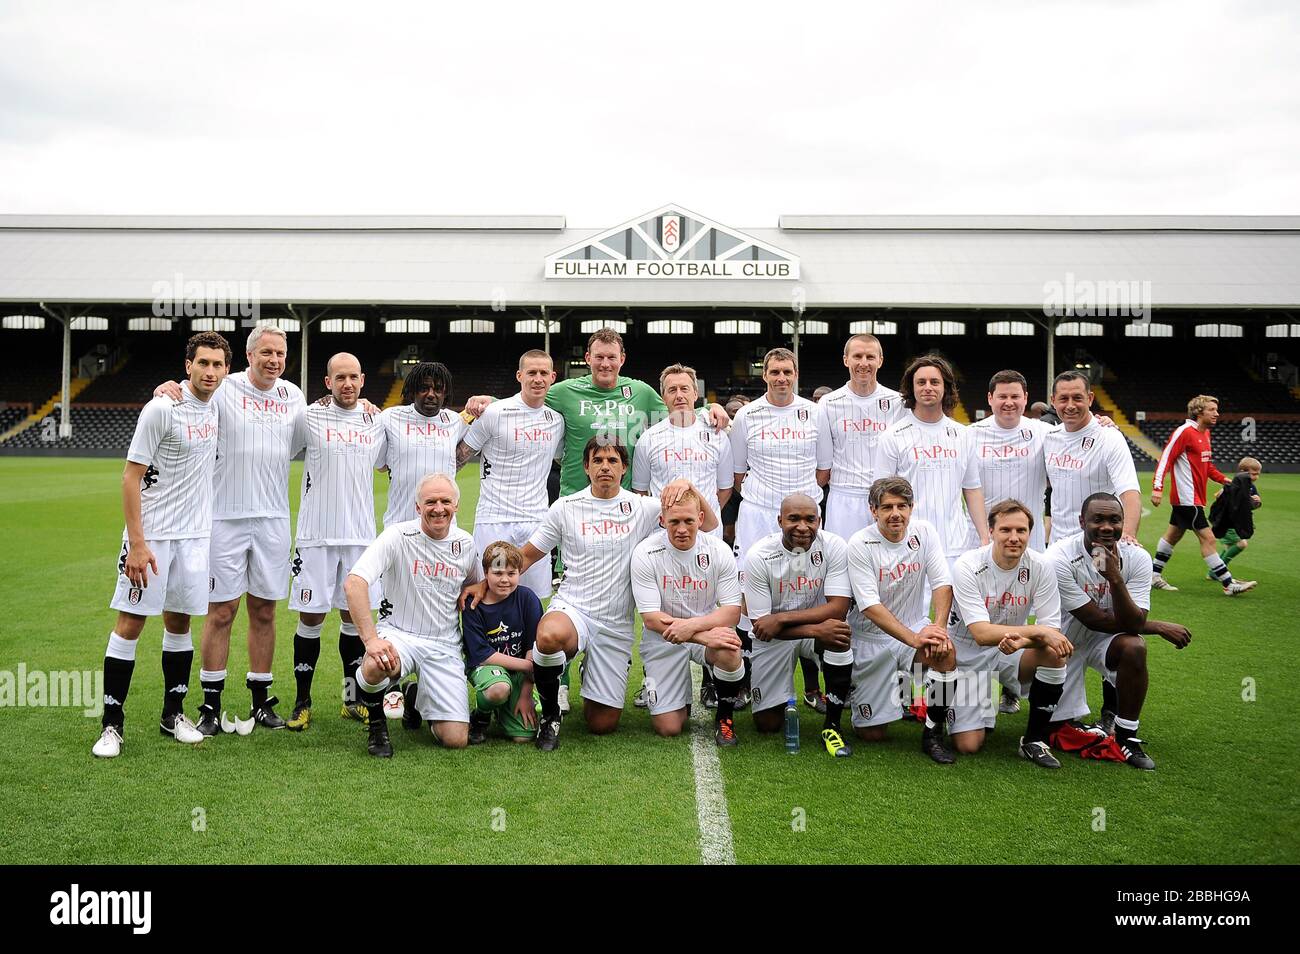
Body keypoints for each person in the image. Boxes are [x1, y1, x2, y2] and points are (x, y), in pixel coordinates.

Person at [464, 437, 715, 750]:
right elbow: (525, 556)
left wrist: (686, 483)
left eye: (612, 461)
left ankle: (584, 666)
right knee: (549, 635)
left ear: (624, 468)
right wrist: (484, 582)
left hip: (616, 624)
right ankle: (551, 716)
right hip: (574, 608)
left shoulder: (644, 507)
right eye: (597, 460)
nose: (605, 467)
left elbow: (708, 525)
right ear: (586, 467)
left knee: (602, 724)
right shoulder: (566, 507)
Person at [152, 326, 306, 735]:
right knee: (222, 611)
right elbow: (190, 396)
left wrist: (358, 401)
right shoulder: (225, 387)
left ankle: (260, 702)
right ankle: (210, 705)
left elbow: (314, 433)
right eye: (266, 353)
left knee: (265, 610)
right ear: (249, 355)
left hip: (273, 518)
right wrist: (167, 387)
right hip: (223, 518)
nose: (274, 360)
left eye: (280, 354)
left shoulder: (293, 396)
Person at [92, 332, 231, 758]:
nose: (210, 371)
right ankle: (111, 725)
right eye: (202, 363)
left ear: (226, 369)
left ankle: (173, 714)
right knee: (132, 622)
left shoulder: (219, 406)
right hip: (150, 538)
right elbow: (130, 477)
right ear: (187, 365)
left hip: (194, 538)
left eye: (218, 365)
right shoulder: (161, 408)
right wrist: (137, 542)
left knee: (179, 623)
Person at [1047, 493, 1192, 770]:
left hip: (1108, 641)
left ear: (1123, 523)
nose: (1106, 527)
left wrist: (1114, 577)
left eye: (1114, 520)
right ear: (1081, 522)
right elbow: (1095, 620)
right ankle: (1010, 697)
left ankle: (1126, 736)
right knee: (1056, 729)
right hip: (1065, 642)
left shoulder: (1136, 558)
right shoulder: (1059, 558)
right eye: (1097, 519)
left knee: (1134, 646)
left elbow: (1134, 623)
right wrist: (1158, 626)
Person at [343, 473, 481, 757]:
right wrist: (371, 641)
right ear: (418, 507)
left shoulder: (465, 544)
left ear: (456, 506)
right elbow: (354, 583)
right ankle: (377, 727)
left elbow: (474, 587)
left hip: (444, 644)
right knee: (373, 666)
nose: (438, 508)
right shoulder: (397, 536)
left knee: (455, 739)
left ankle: (414, 696)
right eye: (430, 502)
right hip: (399, 635)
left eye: (445, 501)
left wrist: (479, 589)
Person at [285, 353, 388, 731]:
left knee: (353, 618)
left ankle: (351, 698)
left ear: (362, 380)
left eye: (353, 377)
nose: (347, 383)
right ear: (327, 382)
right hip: (316, 535)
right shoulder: (308, 417)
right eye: (339, 377)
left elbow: (386, 464)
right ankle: (301, 701)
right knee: (310, 617)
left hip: (360, 536)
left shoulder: (376, 420)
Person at [631, 364, 735, 711]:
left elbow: (724, 488)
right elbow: (642, 492)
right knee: (658, 605)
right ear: (664, 396)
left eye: (684, 389)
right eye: (672, 390)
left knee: (705, 603)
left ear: (696, 394)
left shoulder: (716, 433)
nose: (679, 395)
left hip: (705, 537)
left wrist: (701, 521)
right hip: (663, 538)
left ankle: (710, 678)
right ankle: (652, 680)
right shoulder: (649, 437)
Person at [947, 500, 1072, 769]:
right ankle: (953, 697)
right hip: (968, 654)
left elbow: (1052, 630)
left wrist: (1024, 641)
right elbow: (981, 633)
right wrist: (1035, 631)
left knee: (1053, 653)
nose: (1014, 538)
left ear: (1030, 533)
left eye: (1021, 530)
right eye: (1005, 530)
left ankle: (1034, 740)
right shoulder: (967, 565)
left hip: (1012, 650)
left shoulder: (1040, 565)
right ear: (991, 531)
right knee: (968, 746)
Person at [845, 477, 959, 764]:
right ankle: (894, 686)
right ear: (874, 511)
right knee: (872, 735)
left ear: (911, 508)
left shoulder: (925, 532)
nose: (895, 513)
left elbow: (943, 583)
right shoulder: (860, 543)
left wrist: (939, 629)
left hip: (915, 626)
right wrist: (914, 638)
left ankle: (933, 734)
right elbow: (870, 606)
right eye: (887, 507)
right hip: (870, 638)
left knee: (944, 653)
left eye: (902, 506)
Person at [543, 327, 728, 497]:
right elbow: (528, 401)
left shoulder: (640, 392)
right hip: (575, 497)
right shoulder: (564, 392)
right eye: (599, 357)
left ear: (622, 359)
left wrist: (710, 407)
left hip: (624, 500)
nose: (605, 364)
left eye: (611, 357)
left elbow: (677, 413)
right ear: (587, 358)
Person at [742, 493, 854, 757]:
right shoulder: (759, 556)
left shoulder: (834, 546)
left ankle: (833, 725)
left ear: (820, 521)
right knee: (768, 725)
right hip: (775, 638)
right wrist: (814, 628)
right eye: (793, 519)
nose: (802, 526)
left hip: (801, 628)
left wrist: (782, 618)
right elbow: (762, 627)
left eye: (810, 519)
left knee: (838, 635)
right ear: (779, 520)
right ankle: (782, 696)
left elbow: (838, 607)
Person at [631, 488, 745, 746]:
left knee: (729, 649)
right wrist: (696, 633)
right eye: (674, 521)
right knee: (669, 727)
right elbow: (650, 618)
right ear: (662, 520)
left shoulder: (718, 550)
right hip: (663, 636)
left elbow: (732, 611)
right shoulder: (645, 552)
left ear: (701, 518)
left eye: (689, 521)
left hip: (703, 629)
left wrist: (692, 629)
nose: (681, 528)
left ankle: (725, 719)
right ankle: (676, 696)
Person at [454, 350, 565, 598]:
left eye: (543, 373)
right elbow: (461, 456)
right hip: (494, 520)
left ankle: (530, 640)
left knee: (533, 599)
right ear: (519, 375)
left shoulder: (556, 421)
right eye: (531, 373)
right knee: (488, 594)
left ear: (553, 377)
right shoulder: (495, 413)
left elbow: (562, 459)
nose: (538, 379)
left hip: (537, 522)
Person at [876, 354, 989, 577]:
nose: (928, 387)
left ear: (946, 387)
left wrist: (984, 536)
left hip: (955, 542)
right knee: (910, 612)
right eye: (921, 382)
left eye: (935, 382)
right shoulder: (892, 436)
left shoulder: (963, 434)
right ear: (911, 388)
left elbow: (972, 489)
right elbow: (882, 495)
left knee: (952, 611)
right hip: (908, 541)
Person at [1149, 394, 1255, 594]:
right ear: (1199, 412)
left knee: (1173, 535)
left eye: (1217, 409)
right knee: (1208, 539)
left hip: (1194, 497)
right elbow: (1165, 459)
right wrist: (1157, 487)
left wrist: (1226, 481)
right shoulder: (1184, 432)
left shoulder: (1205, 434)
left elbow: (1207, 467)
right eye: (1212, 410)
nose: (1217, 413)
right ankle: (1228, 583)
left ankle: (1154, 575)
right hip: (1187, 498)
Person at [815, 333, 906, 541]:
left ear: (880, 361)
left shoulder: (898, 403)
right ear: (846, 359)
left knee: (884, 566)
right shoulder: (828, 403)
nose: (863, 363)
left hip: (885, 498)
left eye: (870, 357)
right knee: (842, 564)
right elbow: (823, 459)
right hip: (843, 497)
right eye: (857, 356)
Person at [1042, 370, 1140, 546]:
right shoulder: (1047, 437)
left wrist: (1128, 535)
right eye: (1063, 398)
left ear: (1090, 398)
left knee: (1101, 573)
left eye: (1077, 398)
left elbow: (1130, 492)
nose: (1070, 405)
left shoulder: (1109, 437)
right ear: (1053, 400)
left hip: (1098, 544)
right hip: (1058, 546)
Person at [459, 541, 541, 745]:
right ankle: (481, 715)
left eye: (511, 573)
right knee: (499, 690)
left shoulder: (527, 598)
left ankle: (506, 707)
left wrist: (526, 694)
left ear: (519, 573)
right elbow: (483, 655)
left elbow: (533, 648)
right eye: (498, 573)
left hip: (521, 672)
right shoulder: (474, 605)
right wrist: (528, 666)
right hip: (487, 667)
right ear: (485, 573)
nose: (505, 579)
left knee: (523, 736)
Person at [378, 362, 471, 531]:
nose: (431, 394)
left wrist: (490, 399)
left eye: (438, 389)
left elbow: (494, 415)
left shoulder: (455, 421)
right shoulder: (389, 417)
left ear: (445, 392)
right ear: (413, 390)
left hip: (443, 528)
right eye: (424, 388)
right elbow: (381, 467)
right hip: (399, 525)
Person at [1206, 456, 1262, 580]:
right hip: (1228, 522)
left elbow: (1252, 506)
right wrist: (1222, 494)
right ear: (1242, 471)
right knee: (1241, 544)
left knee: (1229, 547)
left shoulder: (1251, 487)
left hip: (1238, 523)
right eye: (1253, 474)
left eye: (1258, 474)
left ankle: (1214, 572)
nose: (1256, 477)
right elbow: (1222, 499)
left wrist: (1257, 502)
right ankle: (1218, 572)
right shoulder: (1234, 485)